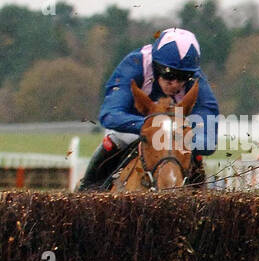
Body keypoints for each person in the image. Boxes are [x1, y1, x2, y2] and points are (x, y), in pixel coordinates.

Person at [78, 27, 219, 190]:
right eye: (168, 74)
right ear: (156, 65)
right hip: (132, 127)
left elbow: (208, 141)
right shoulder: (135, 64)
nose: (176, 84)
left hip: (175, 133)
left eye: (183, 77)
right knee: (113, 142)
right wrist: (151, 127)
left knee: (197, 159)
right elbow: (109, 114)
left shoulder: (197, 81)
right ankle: (87, 190)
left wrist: (176, 136)